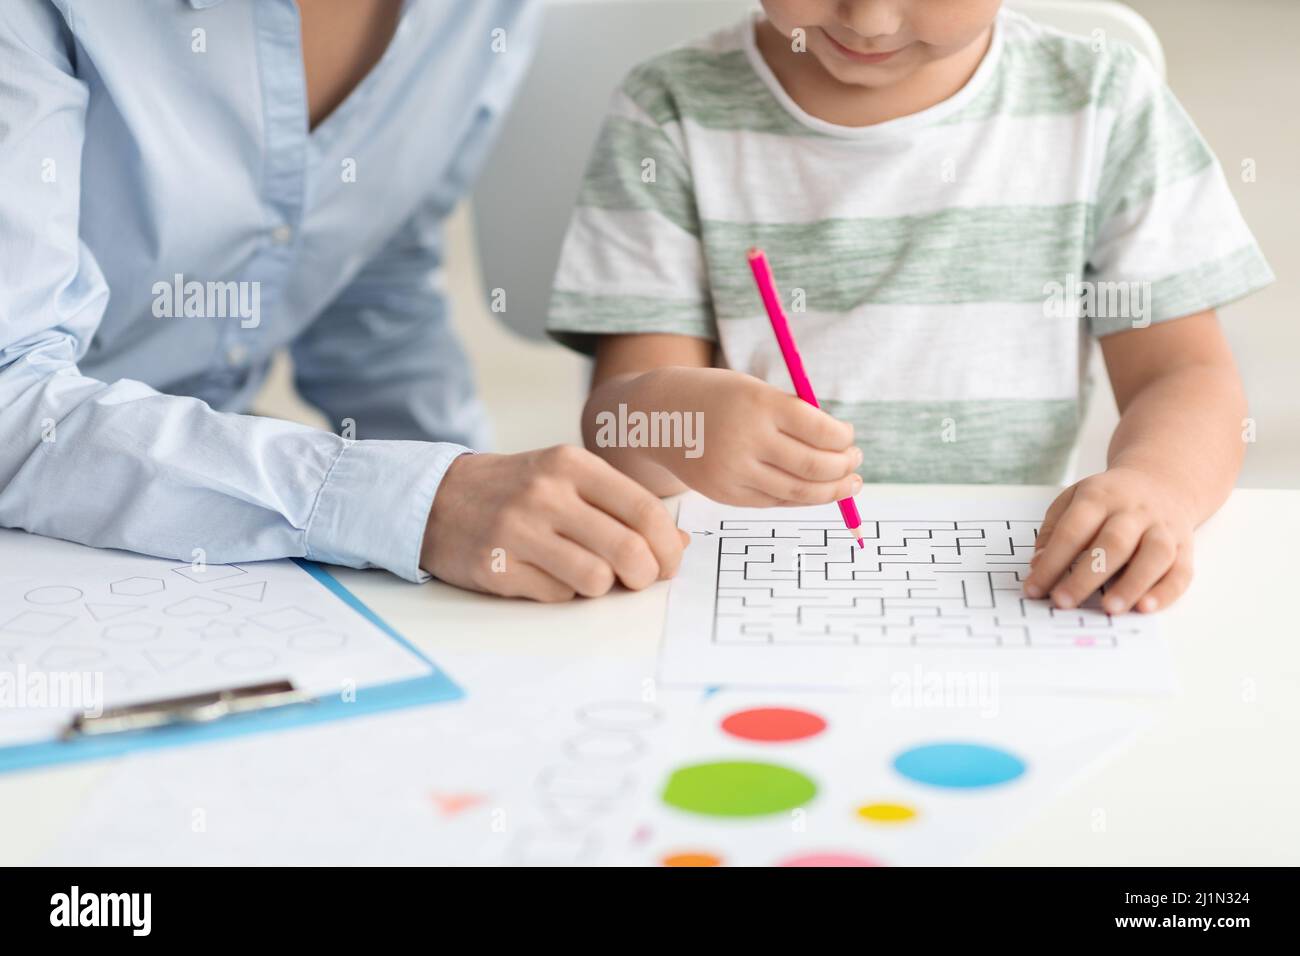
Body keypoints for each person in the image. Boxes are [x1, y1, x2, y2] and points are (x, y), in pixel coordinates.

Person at [547, 0, 1272, 614]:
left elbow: (1184, 377)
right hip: (750, 589)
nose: (869, 18)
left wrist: (1158, 487)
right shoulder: (669, 109)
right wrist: (683, 423)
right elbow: (617, 425)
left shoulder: (1104, 102)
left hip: (1008, 584)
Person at [0, 0, 686, 603]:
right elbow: (12, 400)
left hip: (219, 547)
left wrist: (487, 501)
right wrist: (422, 502)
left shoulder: (481, 13)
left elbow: (373, 284)